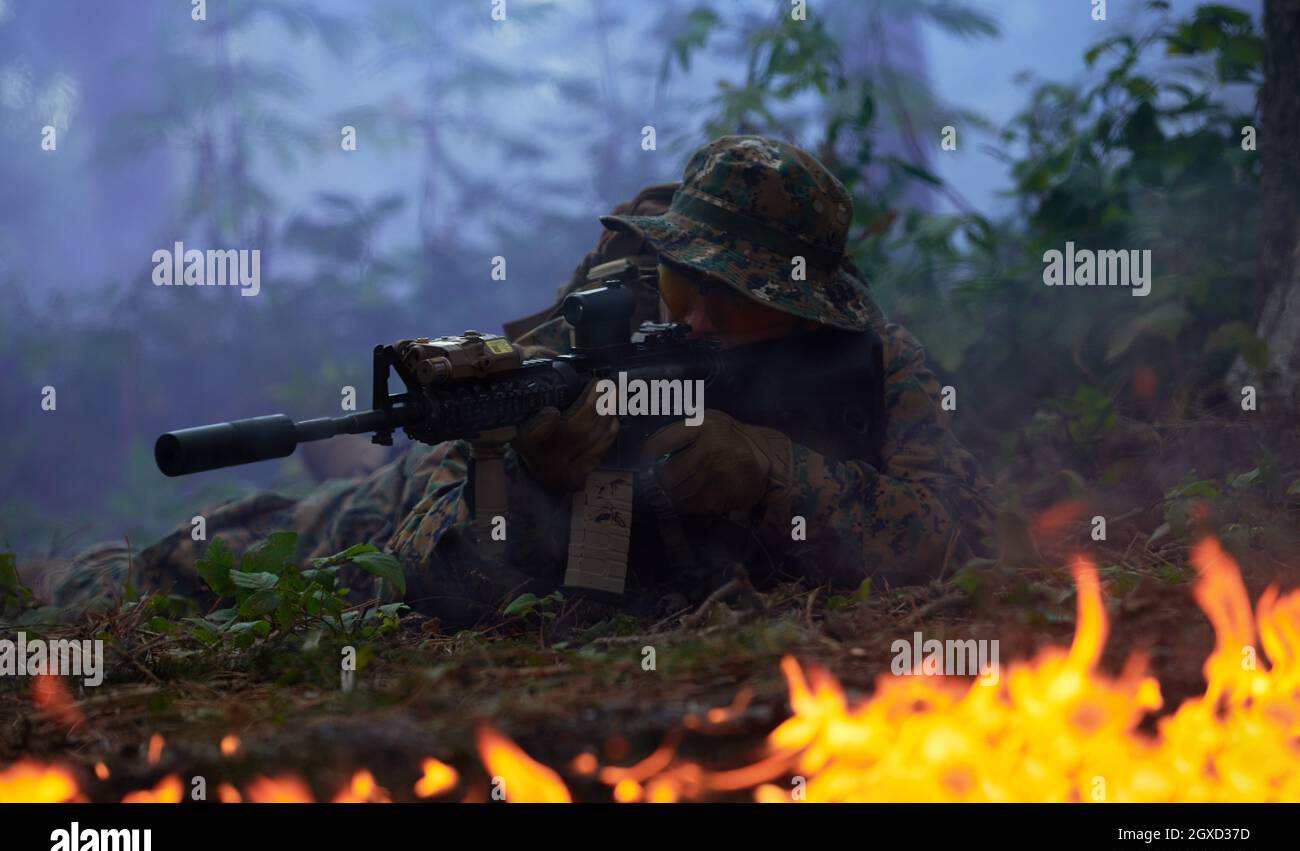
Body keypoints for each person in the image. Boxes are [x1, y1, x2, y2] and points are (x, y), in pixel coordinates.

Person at [38, 135, 995, 628]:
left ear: (802, 306)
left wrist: (773, 465)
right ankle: (60, 575)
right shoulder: (605, 314)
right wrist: (526, 479)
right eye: (682, 282)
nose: (695, 318)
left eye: (734, 303)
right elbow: (428, 579)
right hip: (406, 504)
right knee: (199, 570)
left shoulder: (870, 359)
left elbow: (947, 531)